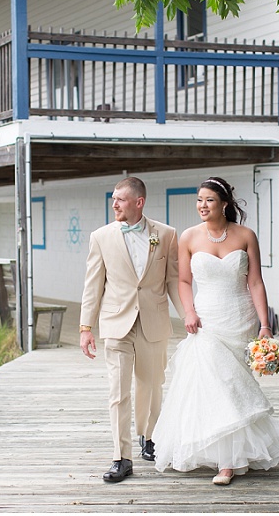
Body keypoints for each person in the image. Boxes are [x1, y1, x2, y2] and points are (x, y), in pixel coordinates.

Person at [152, 176, 279, 485]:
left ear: (224, 204)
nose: (202, 205)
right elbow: (184, 282)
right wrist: (188, 312)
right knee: (216, 383)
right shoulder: (189, 237)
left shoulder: (245, 235)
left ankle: (232, 456)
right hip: (207, 319)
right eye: (199, 200)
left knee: (234, 385)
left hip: (240, 318)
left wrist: (265, 324)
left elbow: (255, 281)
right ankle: (226, 462)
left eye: (209, 200)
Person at [80, 177, 184, 483]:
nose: (114, 204)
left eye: (120, 200)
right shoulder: (100, 237)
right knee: (118, 391)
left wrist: (189, 317)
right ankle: (120, 457)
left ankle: (148, 436)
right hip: (116, 323)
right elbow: (92, 285)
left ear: (139, 202)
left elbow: (173, 281)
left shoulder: (166, 235)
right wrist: (86, 326)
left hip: (154, 321)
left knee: (151, 385)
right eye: (113, 199)